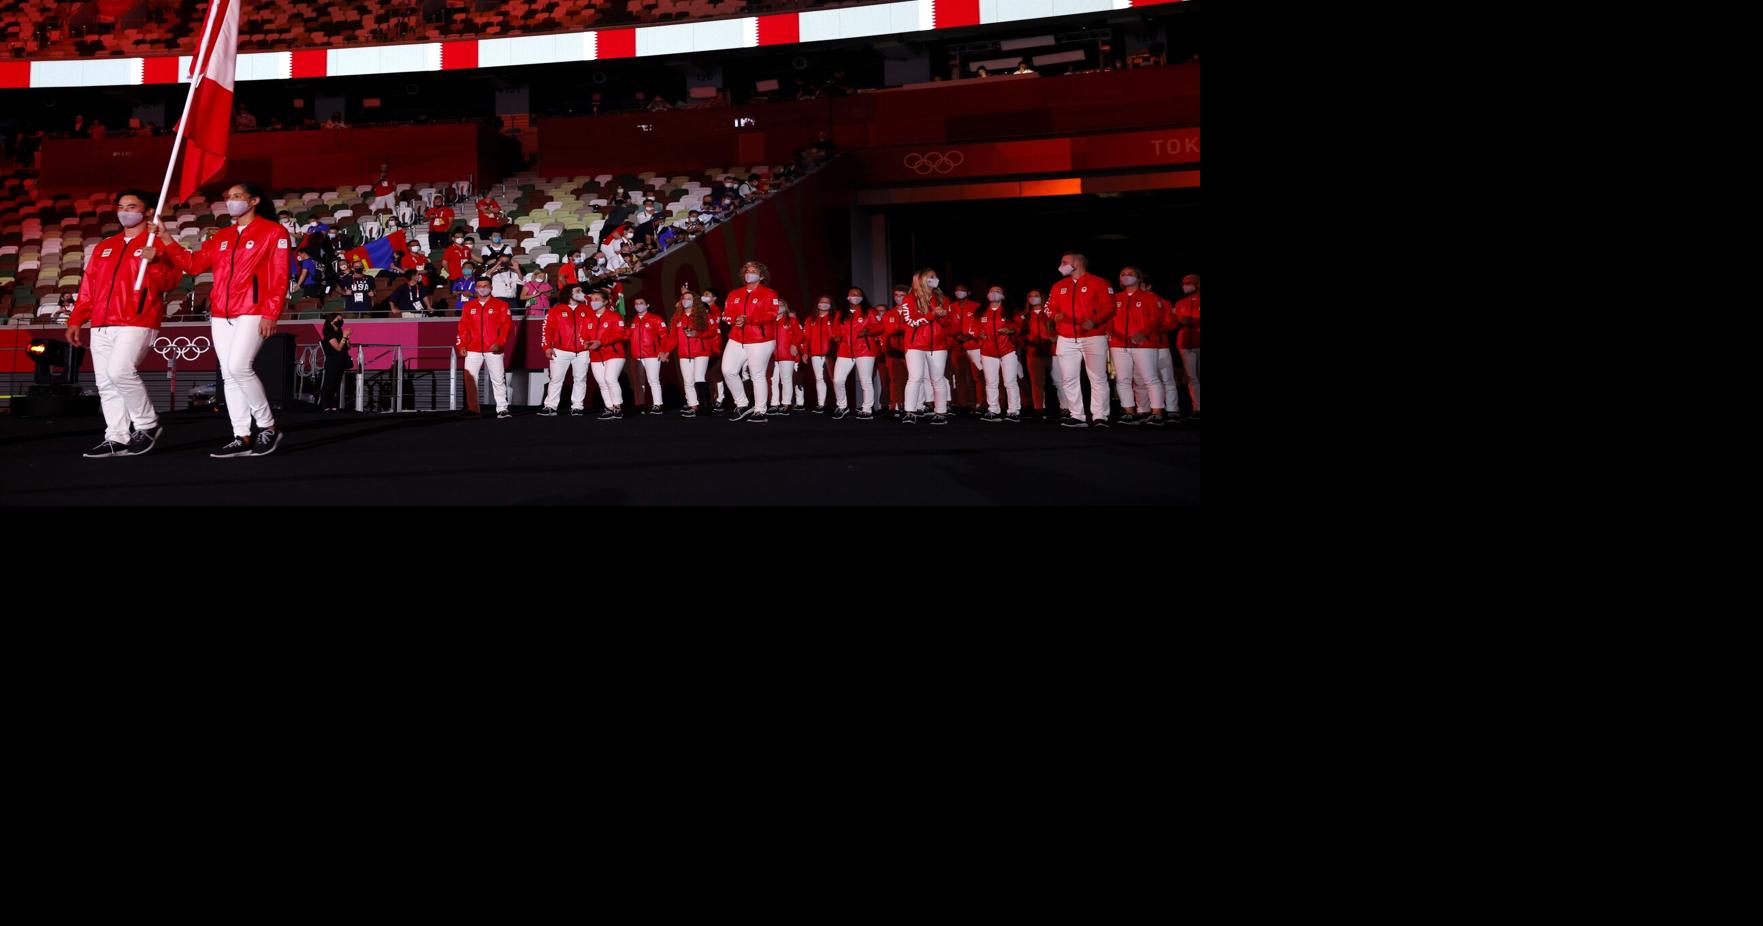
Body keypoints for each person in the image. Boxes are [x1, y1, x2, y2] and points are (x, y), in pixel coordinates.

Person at [156, 181, 291, 457]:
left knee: (240, 367)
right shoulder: (222, 237)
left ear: (253, 201)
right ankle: (241, 435)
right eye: (229, 197)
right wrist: (167, 240)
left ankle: (268, 427)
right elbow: (193, 265)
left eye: (238, 197)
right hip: (221, 312)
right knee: (229, 375)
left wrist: (271, 312)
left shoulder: (273, 232)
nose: (231, 201)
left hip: (253, 310)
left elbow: (279, 277)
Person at [66, 188, 180, 458]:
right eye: (121, 206)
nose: (124, 211)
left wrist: (154, 263)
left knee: (120, 371)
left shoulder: (158, 244)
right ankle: (116, 436)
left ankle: (147, 424)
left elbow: (170, 282)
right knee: (106, 383)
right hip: (101, 323)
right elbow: (89, 287)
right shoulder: (105, 246)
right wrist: (76, 318)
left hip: (137, 319)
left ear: (148, 211)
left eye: (132, 206)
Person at [1047, 251, 1115, 428]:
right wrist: (1054, 315)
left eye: (1064, 262)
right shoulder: (1058, 286)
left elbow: (1110, 307)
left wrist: (1095, 321)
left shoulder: (1099, 283)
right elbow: (1049, 307)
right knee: (1068, 378)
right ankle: (1077, 415)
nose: (1061, 265)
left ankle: (1100, 416)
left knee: (1097, 377)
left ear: (1077, 263)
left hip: (1093, 337)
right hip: (1066, 337)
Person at [889, 269, 957, 424]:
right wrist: (931, 315)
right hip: (915, 345)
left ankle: (941, 413)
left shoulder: (942, 299)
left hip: (938, 345)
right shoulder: (910, 299)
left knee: (938, 379)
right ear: (922, 280)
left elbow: (948, 323)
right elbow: (911, 321)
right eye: (931, 277)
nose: (935, 279)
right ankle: (910, 412)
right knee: (915, 377)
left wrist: (942, 315)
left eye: (935, 276)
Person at [720, 260, 780, 423]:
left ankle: (760, 411)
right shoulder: (734, 294)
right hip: (737, 338)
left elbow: (771, 315)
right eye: (747, 270)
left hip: (760, 339)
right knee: (728, 370)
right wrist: (735, 319)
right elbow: (725, 314)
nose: (749, 273)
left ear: (761, 276)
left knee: (757, 374)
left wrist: (749, 320)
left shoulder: (769, 294)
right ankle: (743, 404)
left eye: (753, 271)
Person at [1109, 266, 1168, 426]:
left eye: (1130, 274)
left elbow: (1157, 319)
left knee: (1150, 378)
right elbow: (1108, 318)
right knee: (1123, 379)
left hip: (1144, 344)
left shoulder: (1150, 297)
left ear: (1139, 278)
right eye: (1123, 274)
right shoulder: (1115, 298)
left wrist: (1144, 333)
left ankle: (1157, 413)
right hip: (1119, 344)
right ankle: (1129, 412)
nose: (1126, 276)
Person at [455, 275, 513, 418]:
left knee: (498, 378)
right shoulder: (469, 306)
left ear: (491, 288)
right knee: (470, 379)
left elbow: (507, 327)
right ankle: (473, 408)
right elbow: (463, 327)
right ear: (475, 288)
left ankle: (502, 408)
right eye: (480, 286)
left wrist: (499, 343)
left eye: (485, 286)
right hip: (473, 348)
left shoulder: (501, 305)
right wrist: (461, 345)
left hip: (493, 348)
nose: (482, 289)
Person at [538, 284, 593, 417]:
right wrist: (547, 347)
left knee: (580, 379)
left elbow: (593, 329)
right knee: (556, 379)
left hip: (582, 351)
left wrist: (589, 343)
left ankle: (577, 406)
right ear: (569, 293)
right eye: (578, 291)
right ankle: (550, 406)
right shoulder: (555, 310)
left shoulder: (587, 309)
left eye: (581, 290)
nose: (581, 293)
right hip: (560, 351)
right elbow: (546, 330)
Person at [663, 288, 719, 417]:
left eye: (689, 299)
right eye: (683, 298)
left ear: (695, 301)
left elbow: (712, 331)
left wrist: (696, 334)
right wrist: (666, 351)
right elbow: (672, 337)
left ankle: (705, 406)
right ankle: (693, 406)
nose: (685, 301)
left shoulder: (703, 315)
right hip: (684, 353)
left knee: (699, 378)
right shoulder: (678, 317)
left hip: (701, 352)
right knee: (688, 381)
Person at [828, 288, 883, 420]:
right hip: (845, 350)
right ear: (847, 297)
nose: (855, 296)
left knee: (866, 381)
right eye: (852, 294)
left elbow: (881, 326)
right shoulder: (841, 313)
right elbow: (834, 329)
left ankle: (867, 409)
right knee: (838, 380)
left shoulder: (870, 311)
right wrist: (836, 337)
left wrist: (868, 331)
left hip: (865, 349)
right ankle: (842, 406)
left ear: (862, 297)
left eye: (858, 295)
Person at [974, 285, 1023, 423]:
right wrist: (980, 334)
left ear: (1004, 295)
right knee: (991, 382)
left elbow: (1019, 325)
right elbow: (974, 328)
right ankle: (993, 410)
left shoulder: (1010, 311)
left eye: (998, 291)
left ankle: (1013, 411)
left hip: (1007, 350)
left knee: (1010, 381)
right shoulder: (981, 312)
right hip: (988, 352)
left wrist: (1011, 330)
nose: (994, 293)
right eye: (991, 291)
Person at [583, 289, 629, 419]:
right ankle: (609, 408)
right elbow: (583, 335)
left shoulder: (614, 316)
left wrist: (601, 342)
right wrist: (586, 343)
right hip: (596, 355)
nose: (594, 302)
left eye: (597, 300)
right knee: (602, 383)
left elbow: (620, 333)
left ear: (606, 302)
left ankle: (618, 407)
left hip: (614, 353)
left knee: (610, 379)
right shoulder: (588, 317)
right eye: (592, 300)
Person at [624, 295, 668, 414]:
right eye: (636, 303)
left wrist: (663, 351)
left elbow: (664, 336)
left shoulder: (656, 318)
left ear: (647, 305)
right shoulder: (632, 320)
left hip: (652, 355)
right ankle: (639, 404)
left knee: (653, 380)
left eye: (641, 302)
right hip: (635, 355)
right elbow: (626, 336)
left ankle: (658, 405)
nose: (638, 305)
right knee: (638, 381)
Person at [1021, 289, 1058, 421]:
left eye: (1036, 295)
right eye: (1030, 296)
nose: (1033, 298)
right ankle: (1038, 408)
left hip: (1052, 351)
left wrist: (1054, 338)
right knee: (1036, 381)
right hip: (1033, 352)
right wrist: (1026, 342)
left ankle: (1064, 407)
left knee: (1058, 381)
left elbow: (1059, 328)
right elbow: (1020, 334)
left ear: (1042, 297)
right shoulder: (1025, 316)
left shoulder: (1050, 314)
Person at [801, 295, 839, 414]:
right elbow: (806, 338)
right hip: (815, 353)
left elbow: (838, 336)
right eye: (821, 301)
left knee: (835, 379)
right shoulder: (810, 320)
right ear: (817, 304)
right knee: (819, 378)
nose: (823, 303)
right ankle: (821, 404)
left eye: (826, 302)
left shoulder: (835, 318)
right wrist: (805, 352)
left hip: (831, 353)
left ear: (831, 304)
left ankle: (839, 404)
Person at [1173, 273, 1200, 421]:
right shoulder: (1180, 303)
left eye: (1188, 283)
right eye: (1183, 283)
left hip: (1198, 341)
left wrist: (1192, 321)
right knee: (1191, 377)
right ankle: (1197, 408)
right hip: (1184, 344)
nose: (1185, 286)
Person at [770, 300, 804, 415]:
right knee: (773, 380)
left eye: (781, 305)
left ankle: (786, 404)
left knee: (786, 380)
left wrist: (794, 344)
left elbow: (799, 335)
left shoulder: (791, 321)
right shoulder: (769, 321)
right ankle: (774, 404)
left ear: (785, 307)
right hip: (771, 356)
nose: (778, 307)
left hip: (787, 355)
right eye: (776, 305)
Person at [317, 313, 352, 411]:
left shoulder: (340, 332)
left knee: (336, 383)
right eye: (338, 319)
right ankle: (325, 405)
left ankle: (333, 405)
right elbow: (338, 348)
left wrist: (347, 337)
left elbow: (348, 347)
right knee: (330, 382)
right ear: (332, 321)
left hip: (341, 360)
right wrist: (344, 337)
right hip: (333, 361)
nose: (340, 320)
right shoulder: (329, 332)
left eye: (341, 318)